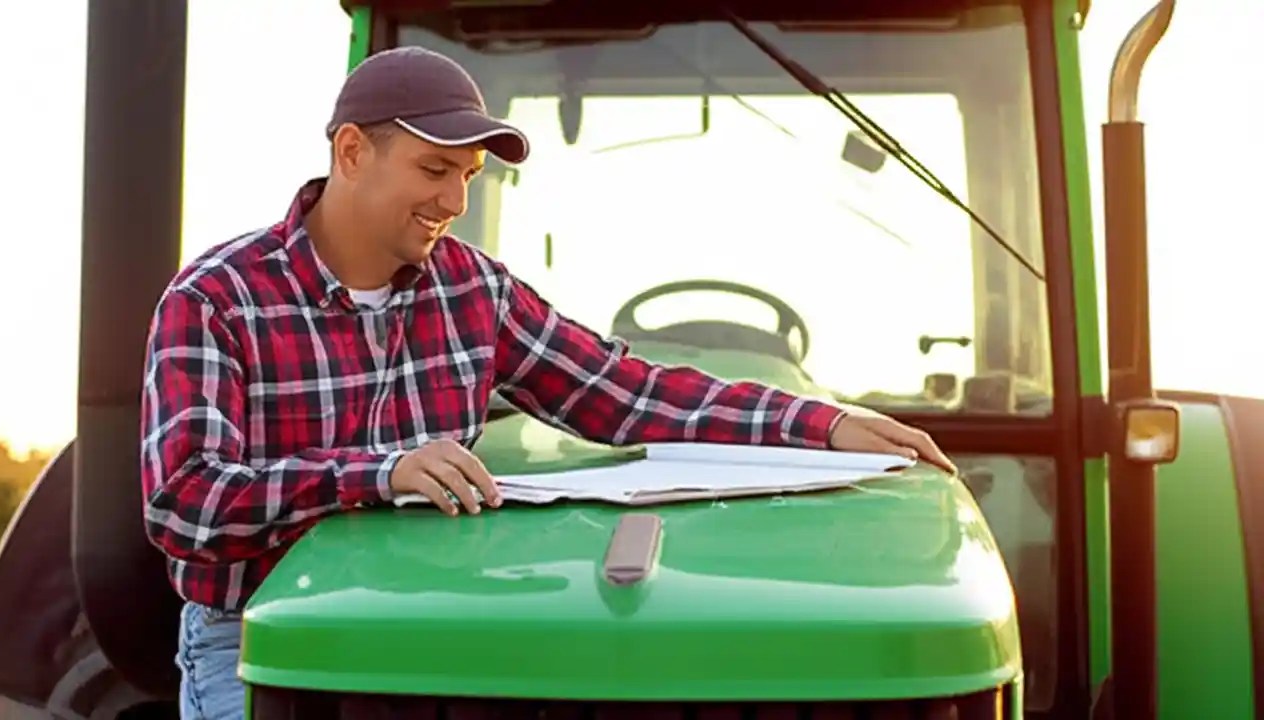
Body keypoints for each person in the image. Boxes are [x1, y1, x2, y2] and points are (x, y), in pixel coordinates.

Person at [139, 46, 955, 720]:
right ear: (352, 153)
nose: (455, 200)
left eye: (468, 176)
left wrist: (820, 425)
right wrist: (378, 475)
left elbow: (629, 393)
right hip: (256, 638)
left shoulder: (474, 293)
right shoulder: (217, 299)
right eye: (434, 169)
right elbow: (183, 500)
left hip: (435, 624)